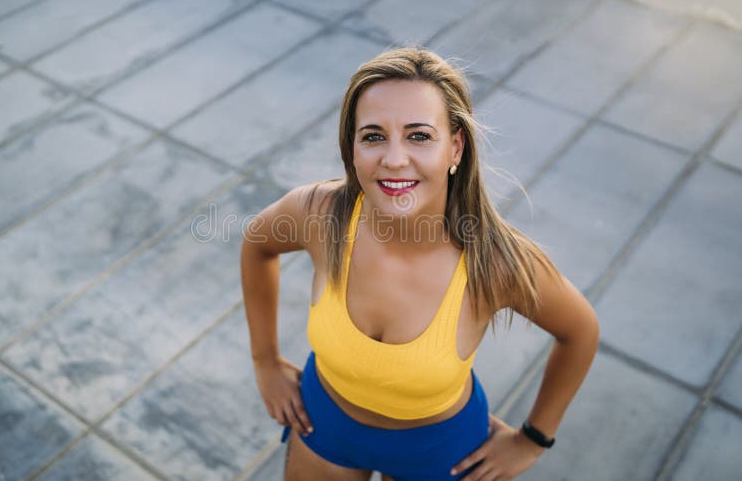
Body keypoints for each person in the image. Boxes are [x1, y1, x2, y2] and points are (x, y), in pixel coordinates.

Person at [240, 47, 600, 481]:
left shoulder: (494, 260)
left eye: (419, 135)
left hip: (437, 453)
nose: (394, 158)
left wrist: (533, 439)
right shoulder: (319, 213)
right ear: (351, 148)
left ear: (455, 148)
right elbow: (257, 246)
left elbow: (580, 331)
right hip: (323, 424)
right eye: (373, 136)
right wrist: (265, 361)